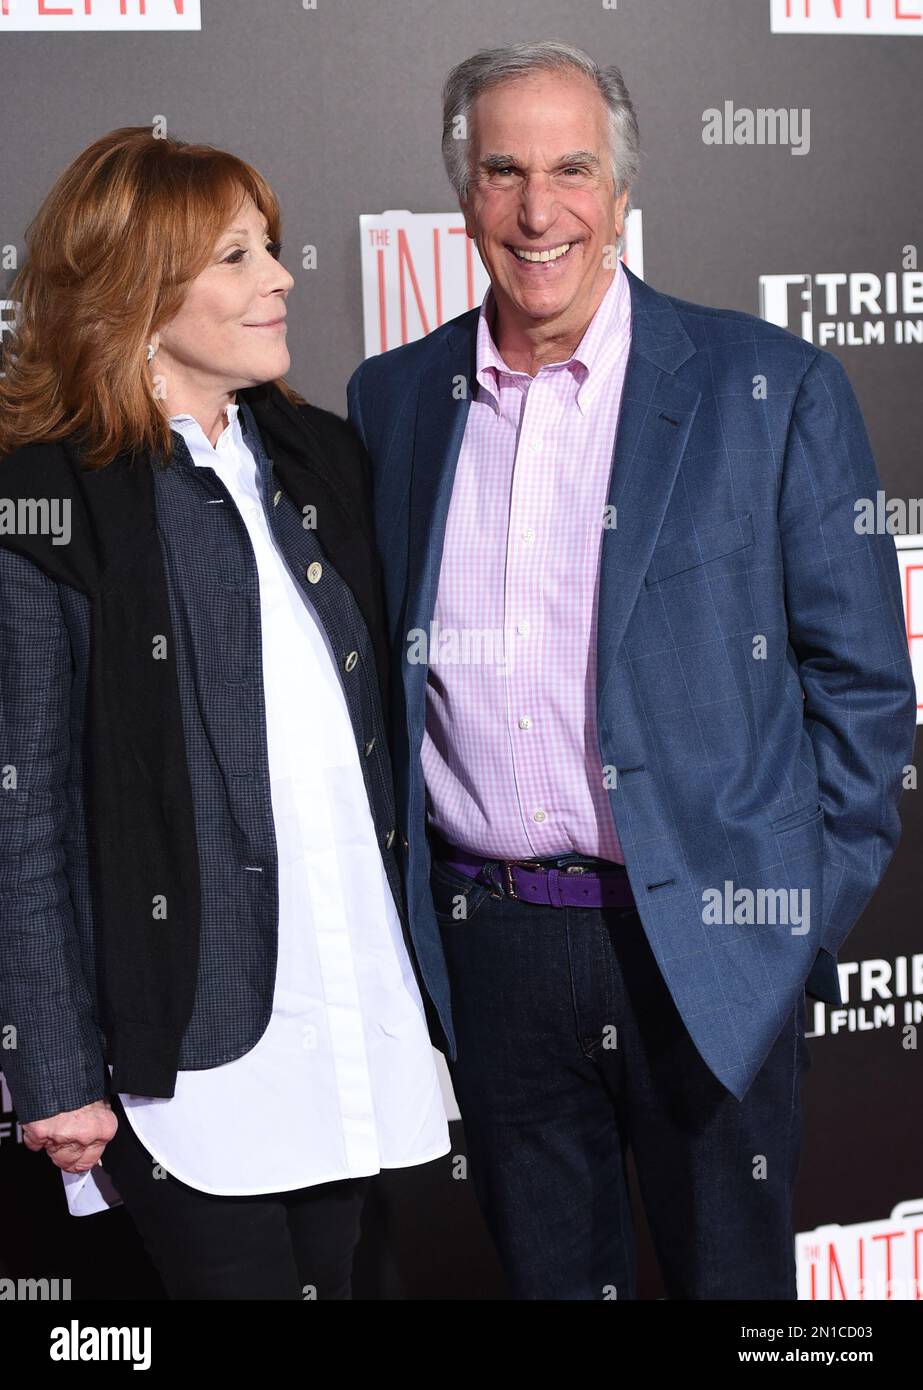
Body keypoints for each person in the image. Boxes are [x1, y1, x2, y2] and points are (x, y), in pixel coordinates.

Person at [346, 41, 917, 1299]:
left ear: (620, 192)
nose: (536, 210)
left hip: (702, 949)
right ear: (462, 193)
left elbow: (867, 697)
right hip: (488, 950)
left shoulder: (765, 389)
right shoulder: (394, 400)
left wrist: (785, 935)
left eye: (570, 169)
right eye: (502, 170)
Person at [0, 126, 449, 1300]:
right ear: (137, 290)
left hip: (354, 1006)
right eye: (237, 256)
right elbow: (25, 807)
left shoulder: (319, 457)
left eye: (273, 247)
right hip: (187, 1052)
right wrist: (49, 1063)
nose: (281, 277)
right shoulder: (46, 498)